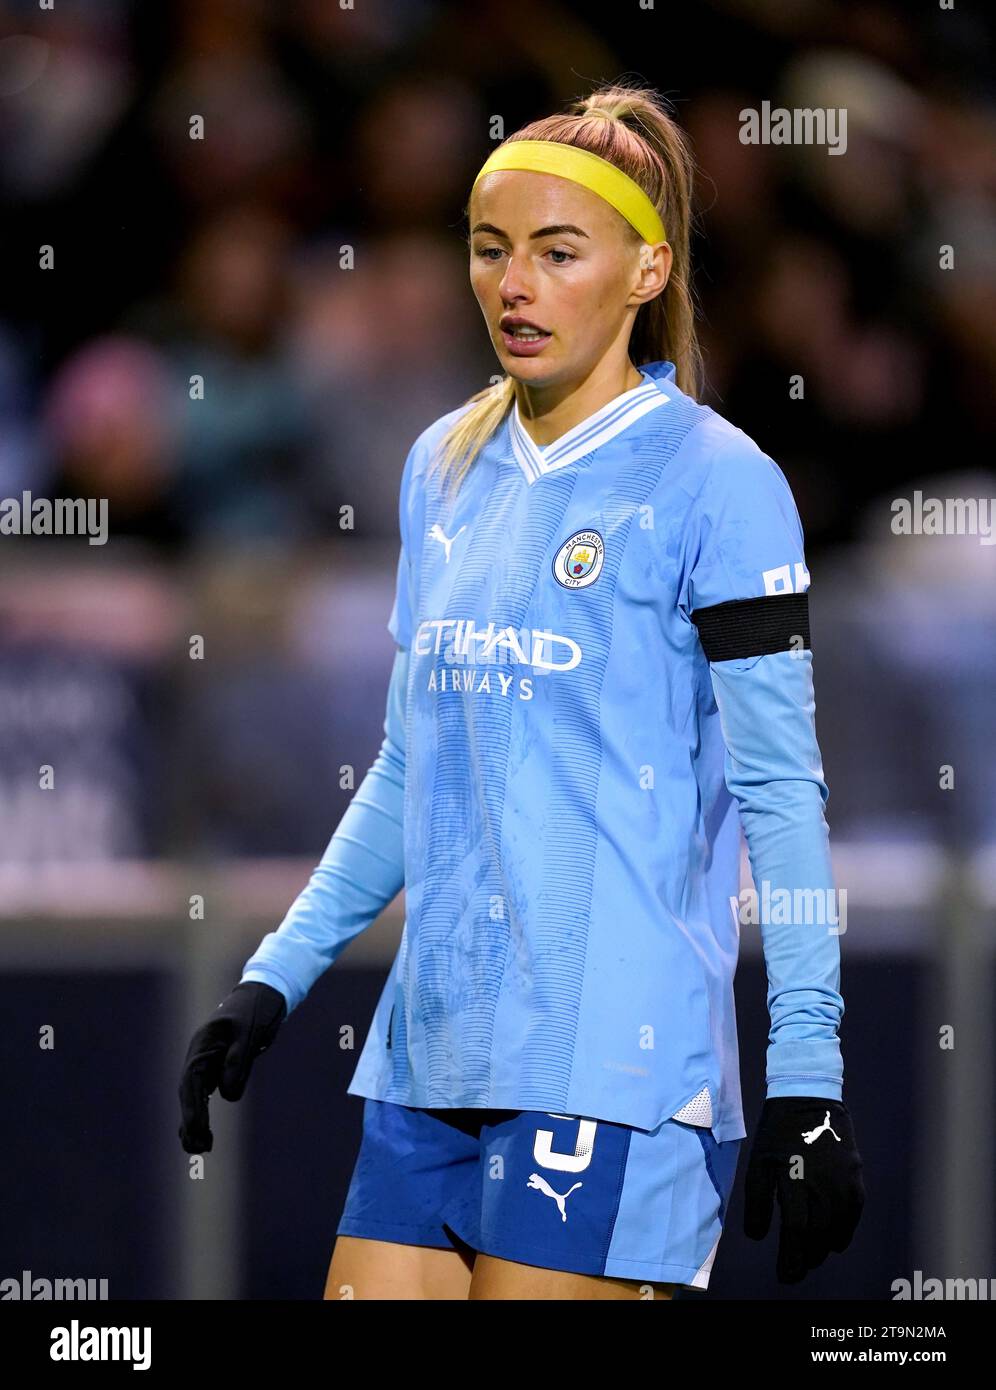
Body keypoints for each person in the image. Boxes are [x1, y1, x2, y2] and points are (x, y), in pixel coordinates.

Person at [179, 81, 864, 1301]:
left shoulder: (720, 481)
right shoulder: (442, 467)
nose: (515, 284)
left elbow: (783, 796)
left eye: (558, 253)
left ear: (648, 270)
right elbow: (410, 765)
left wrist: (807, 1074)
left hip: (614, 1069)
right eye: (492, 250)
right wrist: (274, 975)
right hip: (429, 1054)